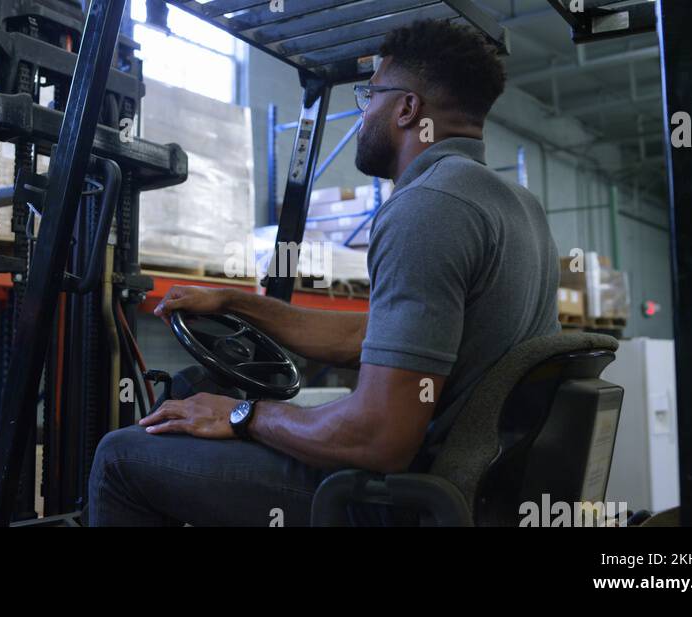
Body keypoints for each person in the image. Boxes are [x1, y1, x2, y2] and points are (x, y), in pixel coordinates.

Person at [87, 19, 560, 526]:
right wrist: (234, 302)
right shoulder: (516, 205)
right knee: (192, 397)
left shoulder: (427, 208)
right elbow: (375, 335)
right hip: (469, 485)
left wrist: (242, 415)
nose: (363, 114)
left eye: (370, 95)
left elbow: (379, 439)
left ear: (406, 109)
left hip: (399, 499)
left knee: (120, 457)